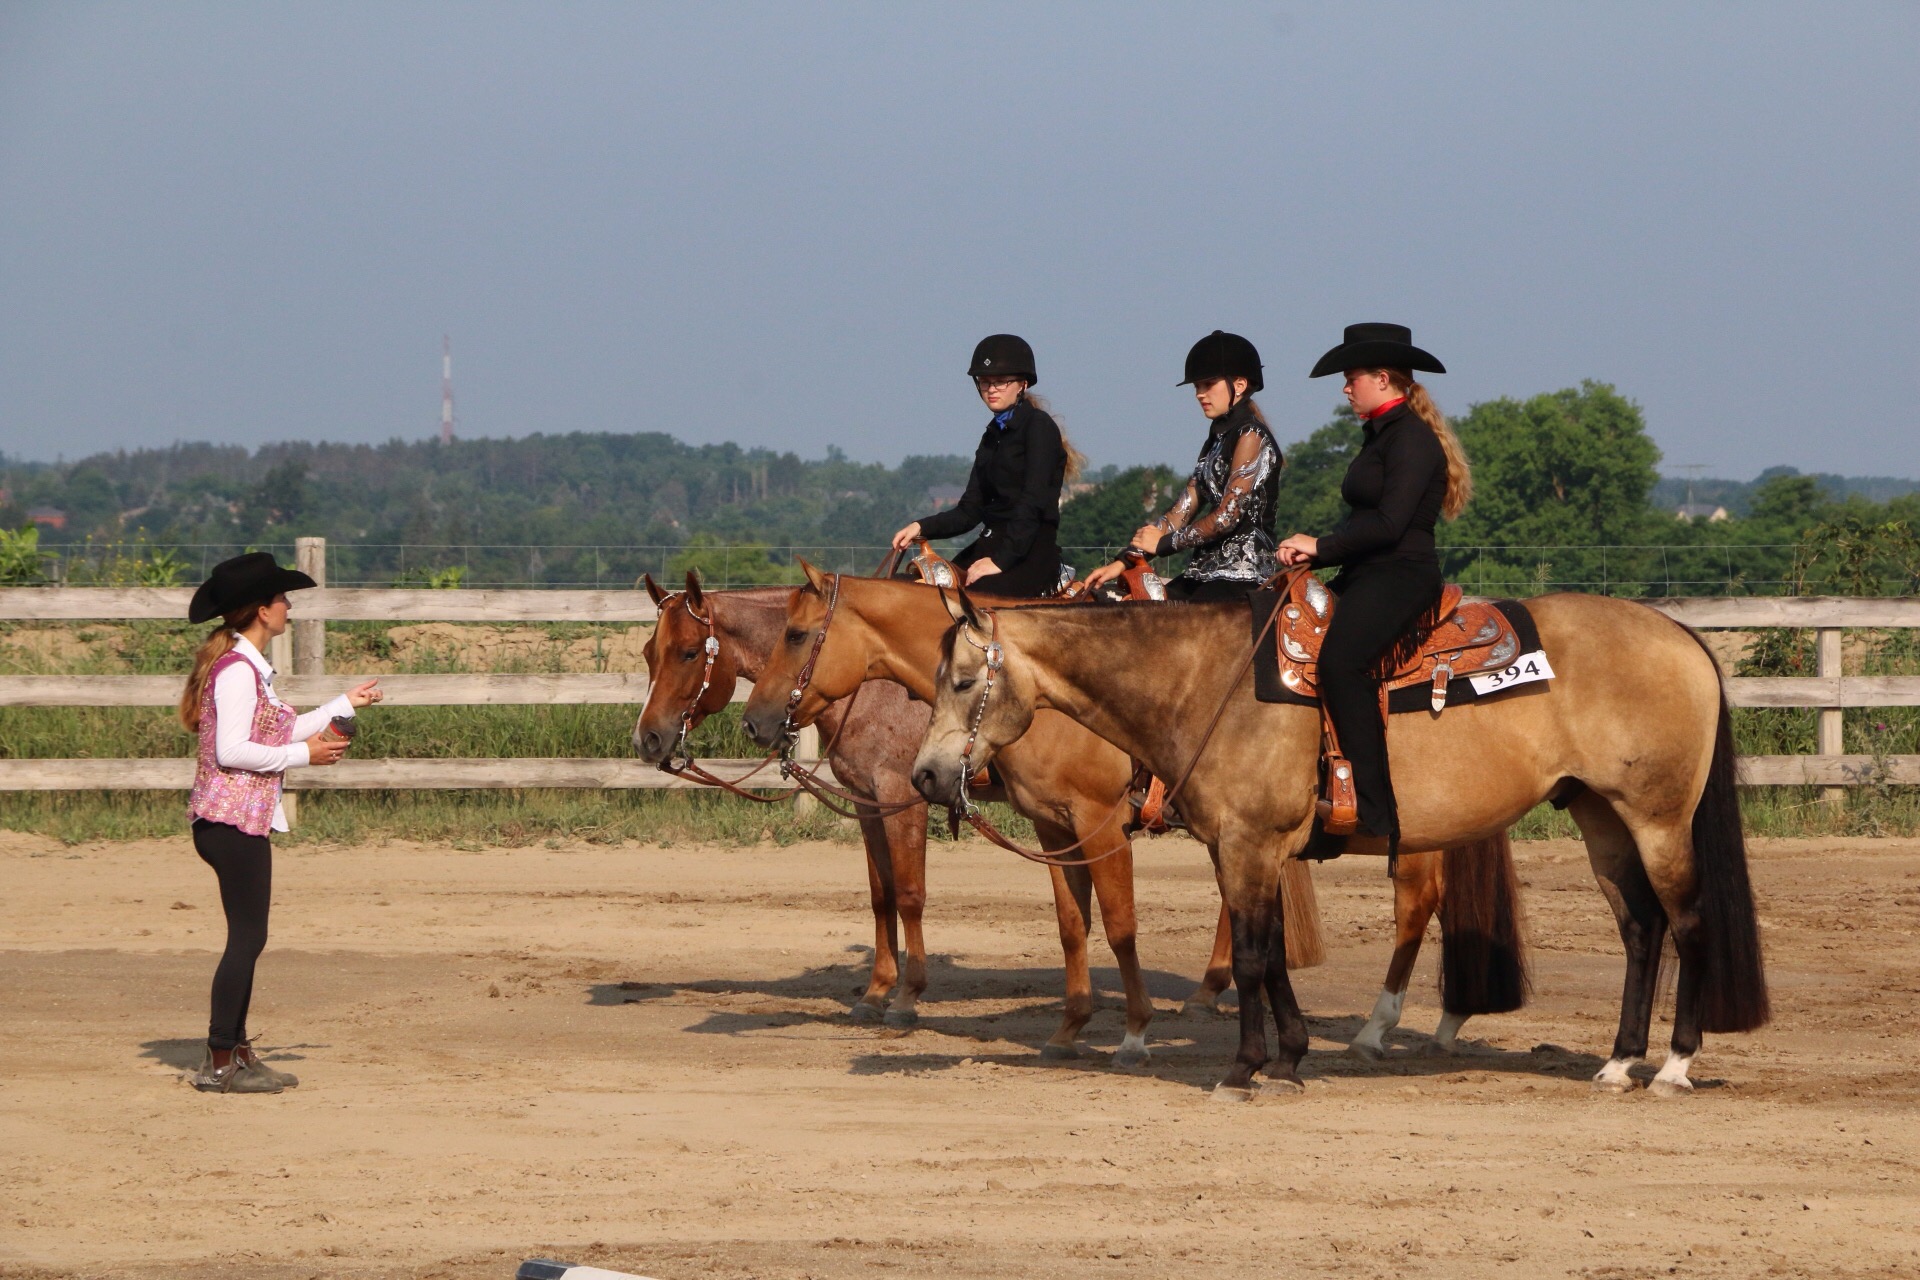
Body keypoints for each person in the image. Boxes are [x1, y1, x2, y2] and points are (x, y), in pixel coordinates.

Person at [177, 552, 383, 1093]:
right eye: (282, 599)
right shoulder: (239, 672)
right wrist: (305, 757)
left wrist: (345, 703)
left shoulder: (246, 669)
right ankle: (222, 1059)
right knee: (247, 939)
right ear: (261, 610)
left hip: (234, 820)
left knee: (249, 938)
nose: (288, 606)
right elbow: (234, 749)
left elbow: (279, 730)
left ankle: (235, 1050)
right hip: (229, 822)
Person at [1276, 323, 1473, 858]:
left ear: (1382, 379)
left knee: (1342, 664)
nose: (1345, 388)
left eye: (1351, 378)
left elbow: (1388, 526)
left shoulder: (1411, 439)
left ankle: (1371, 808)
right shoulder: (1383, 434)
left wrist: (1318, 545)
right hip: (1368, 571)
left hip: (1400, 573)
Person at [1085, 331, 1283, 601]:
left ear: (1238, 385)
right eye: (1197, 387)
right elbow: (1180, 512)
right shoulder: (1216, 439)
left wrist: (1164, 545)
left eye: (1208, 384)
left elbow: (1226, 517)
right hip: (1203, 573)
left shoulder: (1252, 437)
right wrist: (1125, 560)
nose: (1199, 394)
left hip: (1244, 576)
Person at [890, 334, 1082, 598]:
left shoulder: (1039, 427)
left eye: (1001, 382)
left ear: (1022, 384)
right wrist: (921, 527)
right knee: (914, 591)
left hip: (1030, 551)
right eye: (985, 382)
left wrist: (1001, 561)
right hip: (990, 544)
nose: (992, 389)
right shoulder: (992, 436)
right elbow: (969, 511)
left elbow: (1033, 502)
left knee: (973, 601)